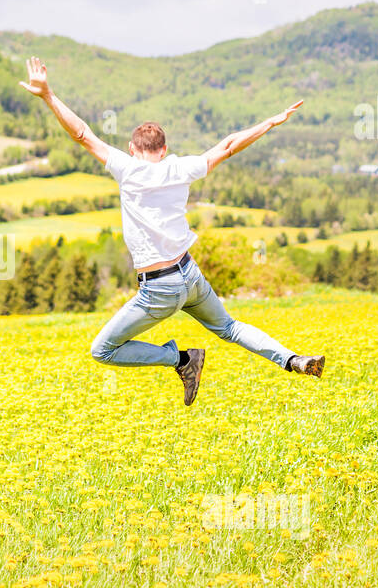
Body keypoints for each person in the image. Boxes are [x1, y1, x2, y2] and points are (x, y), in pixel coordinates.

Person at [19, 56, 324, 406]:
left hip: (159, 289)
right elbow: (228, 145)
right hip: (190, 275)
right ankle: (294, 360)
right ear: (164, 151)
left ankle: (182, 360)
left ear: (133, 150)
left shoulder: (126, 169)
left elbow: (81, 133)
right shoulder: (181, 168)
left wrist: (48, 95)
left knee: (103, 350)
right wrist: (270, 122)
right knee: (230, 328)